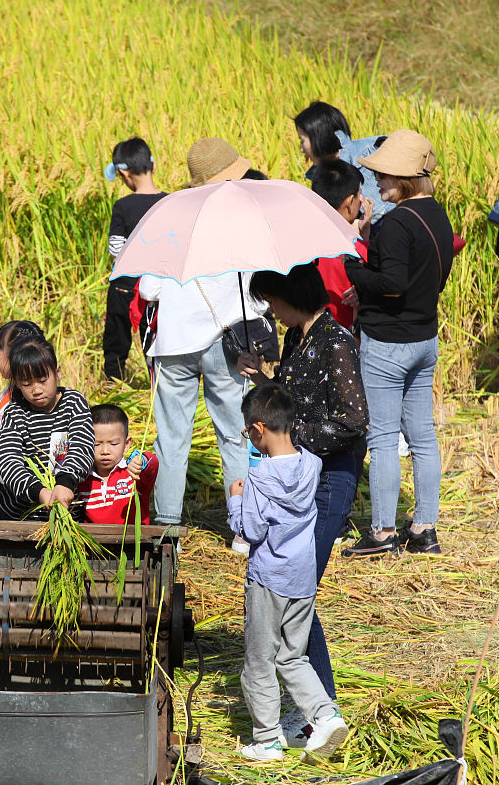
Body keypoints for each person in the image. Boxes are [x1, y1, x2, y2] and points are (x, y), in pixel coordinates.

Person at [240, 264, 368, 720]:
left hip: (329, 477)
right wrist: (262, 383)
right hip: (301, 474)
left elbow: (354, 420)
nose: (272, 312)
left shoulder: (336, 343)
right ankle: (313, 704)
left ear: (291, 295)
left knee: (297, 590)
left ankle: (320, 707)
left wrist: (296, 439)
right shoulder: (298, 338)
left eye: (272, 301)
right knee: (294, 589)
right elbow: (292, 404)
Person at [139, 138, 271, 528]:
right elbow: (258, 294)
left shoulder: (173, 217)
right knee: (235, 433)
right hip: (226, 342)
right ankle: (243, 527)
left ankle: (165, 526)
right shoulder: (244, 219)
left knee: (171, 438)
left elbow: (148, 289)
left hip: (173, 343)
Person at [342, 130, 455, 557]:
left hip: (388, 344)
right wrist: (373, 266)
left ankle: (383, 532)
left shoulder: (395, 224)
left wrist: (354, 268)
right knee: (423, 437)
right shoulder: (437, 215)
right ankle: (425, 528)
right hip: (425, 339)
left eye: (386, 175)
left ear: (406, 179)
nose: (379, 182)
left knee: (384, 439)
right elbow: (421, 276)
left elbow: (391, 283)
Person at [229, 384, 348, 762]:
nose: (249, 437)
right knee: (293, 658)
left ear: (259, 429)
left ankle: (266, 738)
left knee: (259, 660)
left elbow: (251, 531)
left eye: (249, 431)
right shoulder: (312, 463)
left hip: (268, 580)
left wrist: (235, 498)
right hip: (302, 577)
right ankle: (326, 715)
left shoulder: (260, 479)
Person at [0, 338, 95, 520]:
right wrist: (39, 491)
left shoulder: (73, 403)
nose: (37, 390)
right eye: (27, 384)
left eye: (42, 380)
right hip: (21, 516)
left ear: (57, 373)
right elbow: (8, 460)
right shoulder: (14, 412)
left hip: (67, 512)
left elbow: (83, 446)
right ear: (16, 383)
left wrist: (65, 482)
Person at [103, 137, 167, 380]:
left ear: (125, 174)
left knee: (116, 343)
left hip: (126, 285)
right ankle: (157, 388)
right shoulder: (169, 201)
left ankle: (113, 385)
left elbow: (116, 248)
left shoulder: (122, 206)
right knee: (155, 343)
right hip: (160, 287)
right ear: (153, 166)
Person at [294, 101, 392, 224]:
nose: (302, 150)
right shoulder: (321, 178)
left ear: (319, 136)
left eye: (302, 141)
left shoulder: (372, 152)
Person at [309, 160, 371, 329]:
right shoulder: (357, 250)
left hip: (312, 335)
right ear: (350, 202)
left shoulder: (305, 242)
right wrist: (365, 240)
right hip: (347, 340)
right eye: (359, 195)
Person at [78, 404, 157, 525]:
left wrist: (142, 461)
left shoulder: (133, 474)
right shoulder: (82, 477)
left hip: (133, 542)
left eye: (113, 444)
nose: (105, 451)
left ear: (127, 444)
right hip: (92, 541)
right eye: (96, 444)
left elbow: (153, 463)